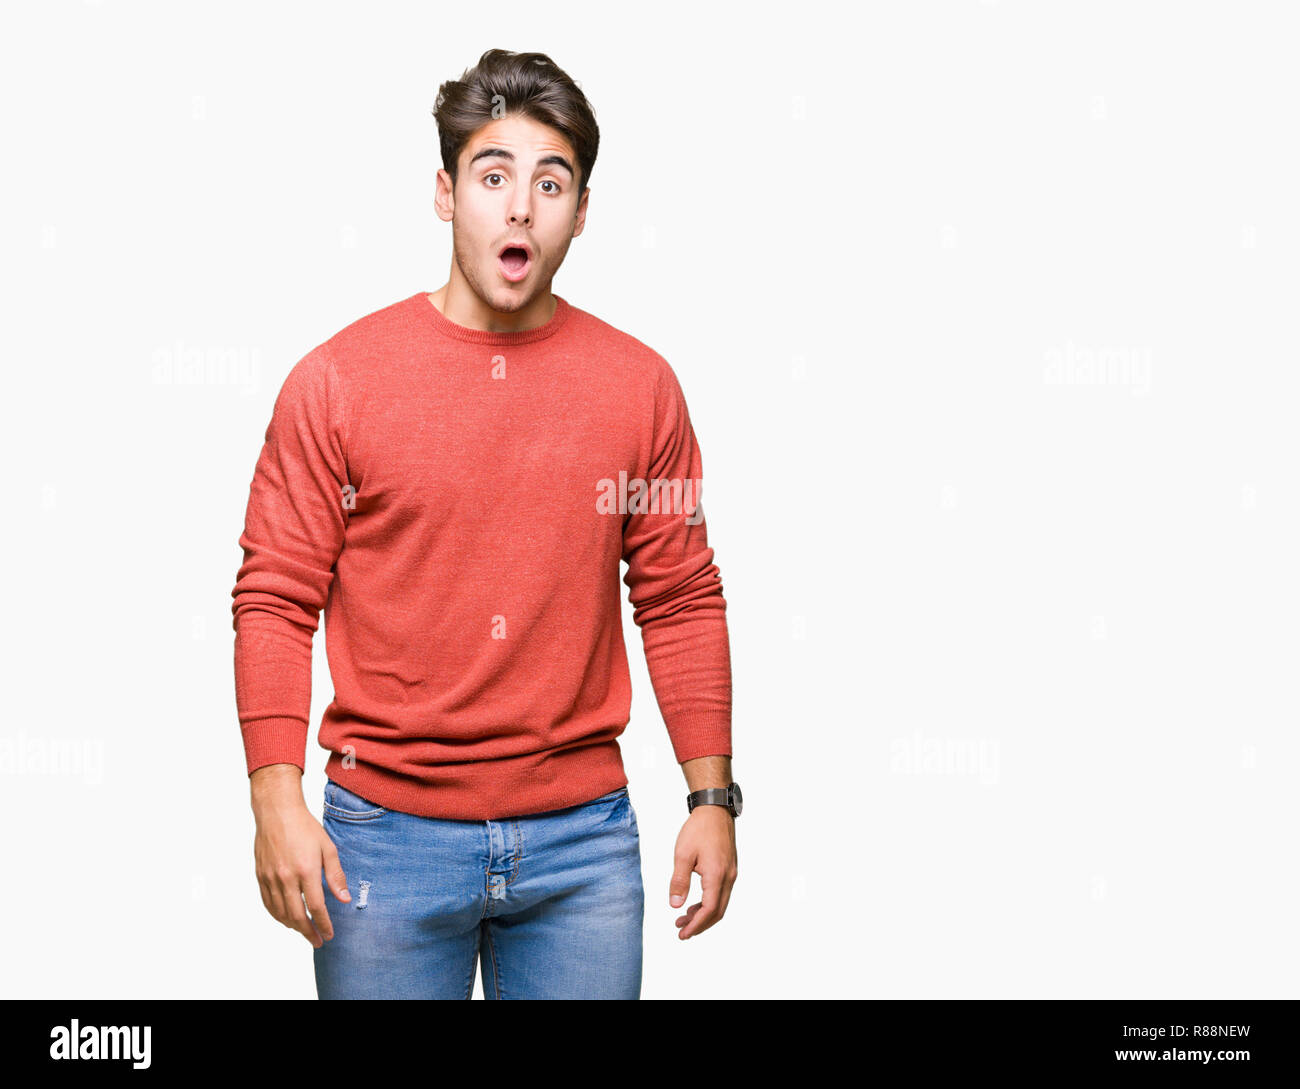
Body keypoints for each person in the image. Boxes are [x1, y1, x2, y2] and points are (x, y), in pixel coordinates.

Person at [230, 48, 741, 1000]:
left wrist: (711, 798)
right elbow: (273, 594)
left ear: (581, 213)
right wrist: (274, 795)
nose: (519, 207)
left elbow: (680, 595)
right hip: (384, 837)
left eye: (550, 183)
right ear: (445, 192)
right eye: (493, 175)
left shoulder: (642, 387)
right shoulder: (337, 382)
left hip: (581, 844)